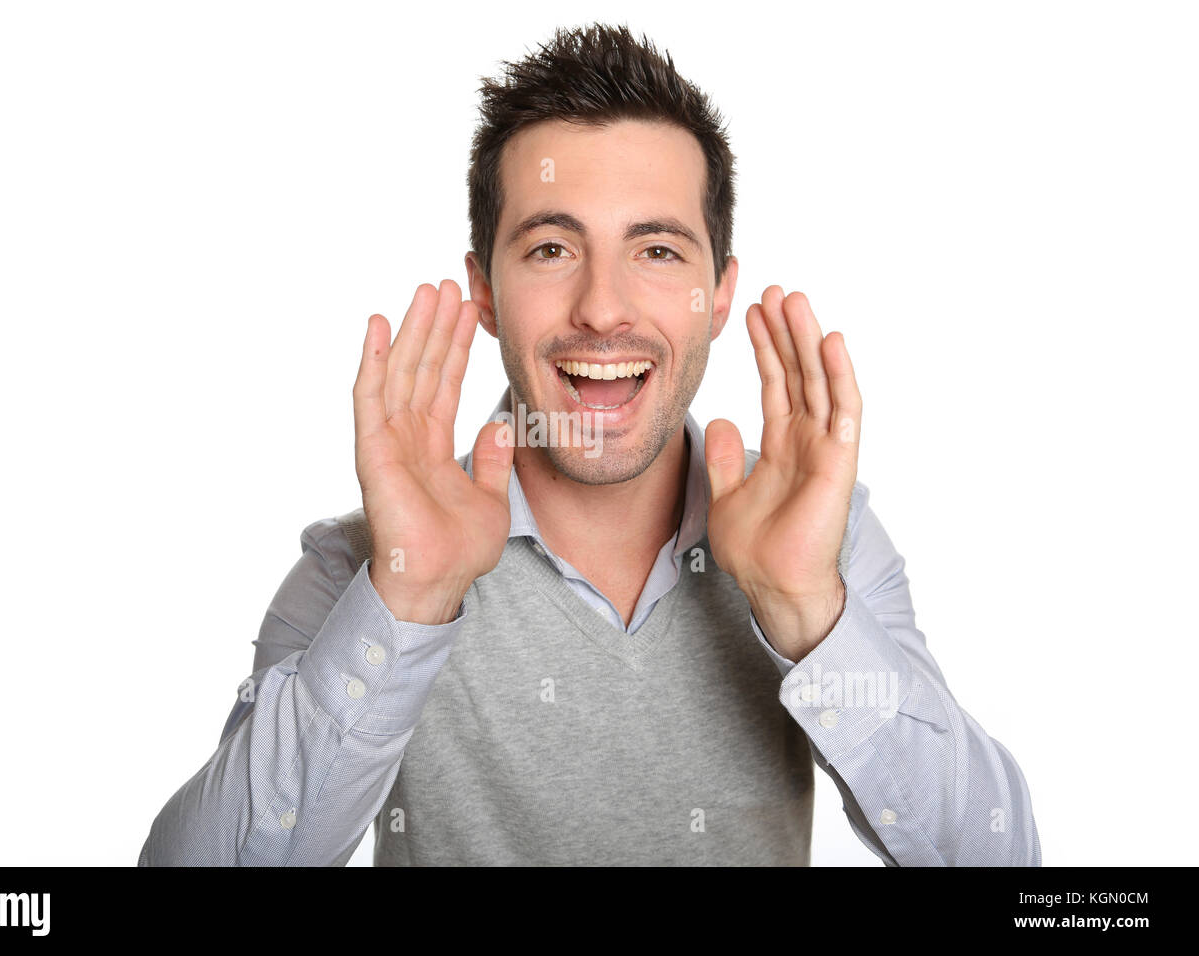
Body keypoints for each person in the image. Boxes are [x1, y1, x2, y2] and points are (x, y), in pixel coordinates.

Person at [138, 22, 1040, 866]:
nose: (602, 309)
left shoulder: (824, 541)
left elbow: (1001, 858)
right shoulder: (363, 562)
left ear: (718, 294)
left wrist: (808, 614)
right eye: (550, 250)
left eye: (656, 251)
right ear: (484, 292)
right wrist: (406, 596)